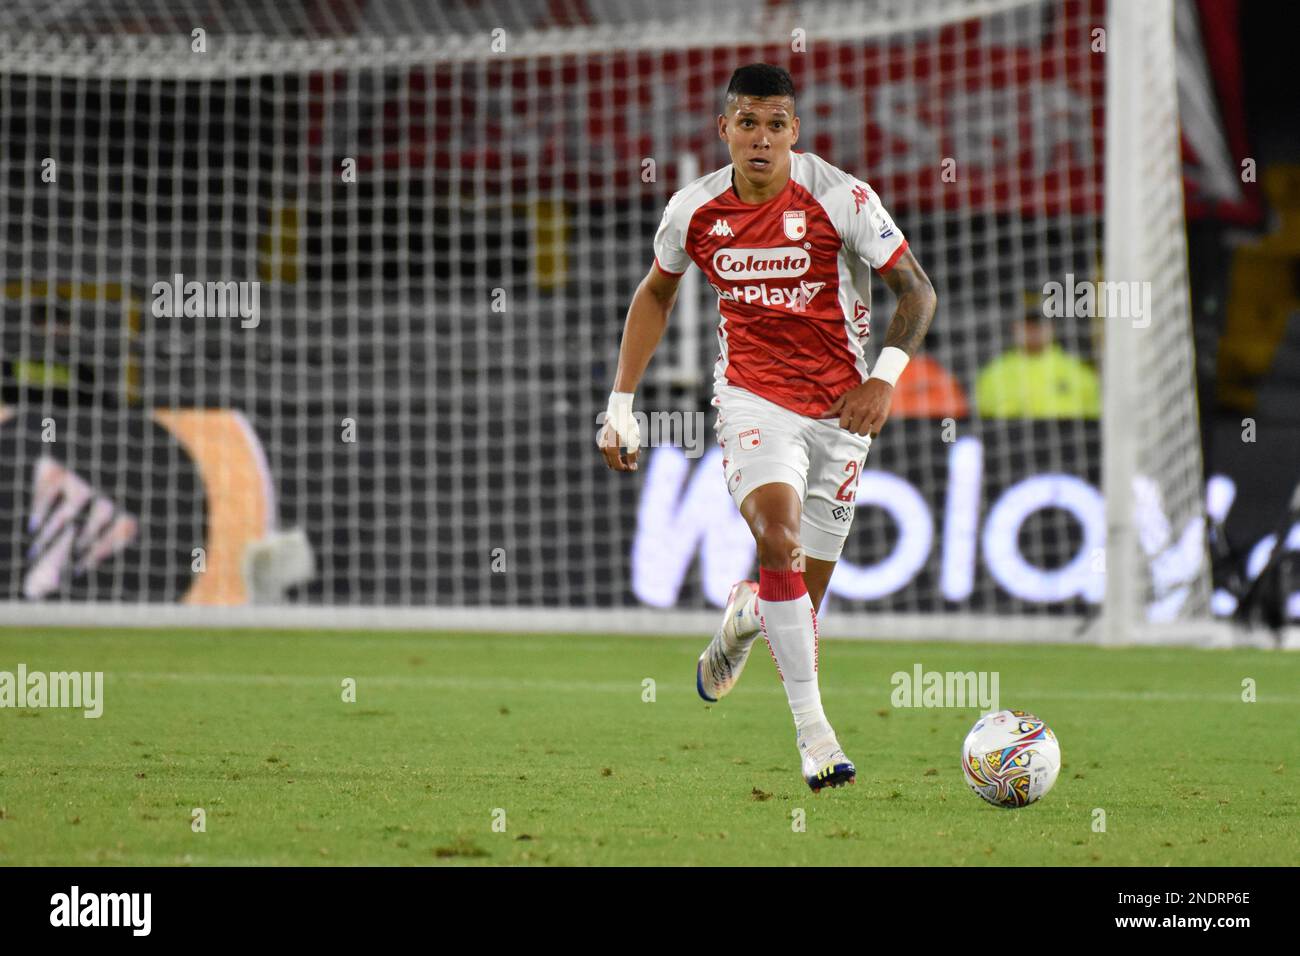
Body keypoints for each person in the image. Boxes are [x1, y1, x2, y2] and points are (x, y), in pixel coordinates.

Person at [598, 64, 937, 791]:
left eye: (775, 124)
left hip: (843, 410)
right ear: (723, 128)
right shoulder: (694, 210)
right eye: (746, 122)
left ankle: (746, 614)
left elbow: (916, 291)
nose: (760, 138)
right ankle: (816, 740)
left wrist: (884, 378)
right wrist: (622, 404)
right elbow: (656, 293)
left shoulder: (841, 197)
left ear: (795, 131)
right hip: (754, 400)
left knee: (798, 611)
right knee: (775, 537)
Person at [974, 303, 1099, 418]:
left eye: (1039, 325)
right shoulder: (992, 375)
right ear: (1015, 328)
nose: (1033, 331)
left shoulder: (1079, 373)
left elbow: (1095, 419)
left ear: (1052, 328)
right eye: (1027, 325)